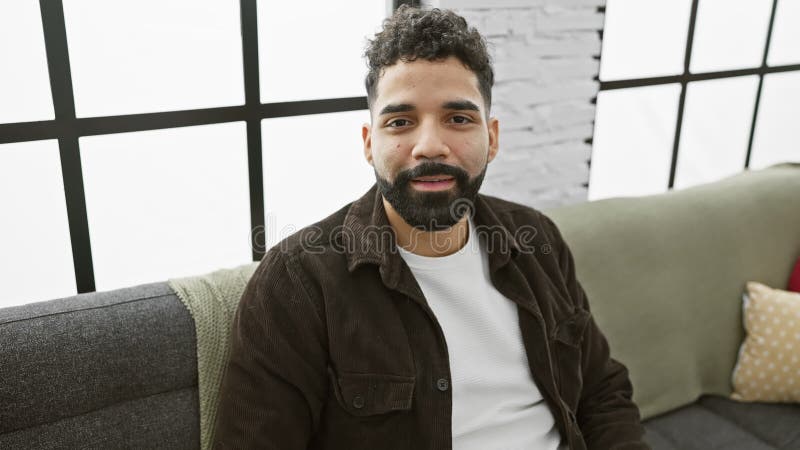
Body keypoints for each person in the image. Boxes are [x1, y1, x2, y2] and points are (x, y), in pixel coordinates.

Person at [213, 5, 647, 450]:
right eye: (400, 122)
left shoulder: (538, 240)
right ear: (369, 143)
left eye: (458, 119)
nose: (430, 146)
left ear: (492, 137)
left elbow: (603, 392)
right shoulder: (298, 282)